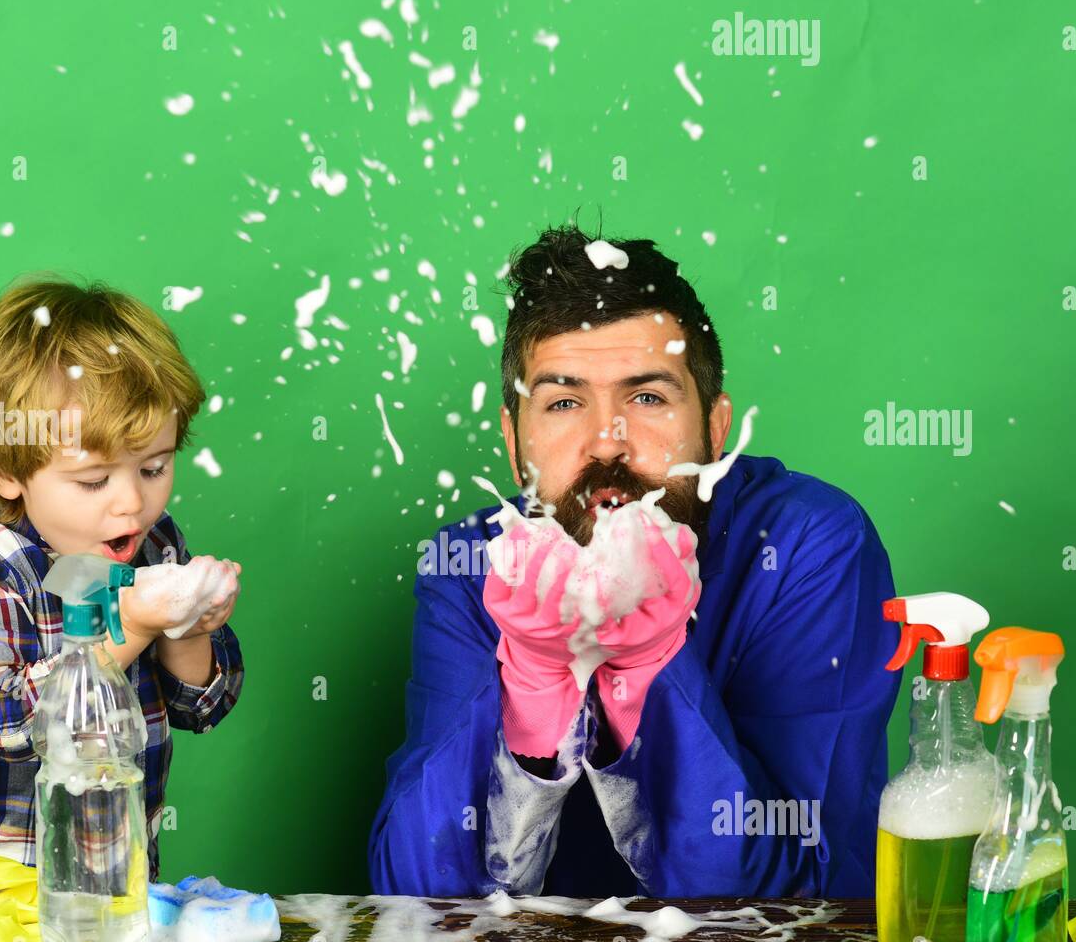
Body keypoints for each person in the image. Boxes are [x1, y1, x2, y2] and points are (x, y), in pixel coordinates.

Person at [370, 224, 900, 899]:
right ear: (513, 442)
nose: (606, 442)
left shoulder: (807, 546)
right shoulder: (470, 568)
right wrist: (533, 686)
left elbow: (806, 900)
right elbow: (419, 896)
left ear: (714, 427)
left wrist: (649, 669)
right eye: (563, 402)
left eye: (647, 397)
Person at [0, 276, 243, 881]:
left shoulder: (155, 543)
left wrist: (191, 626)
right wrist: (133, 623)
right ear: (6, 468)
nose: (131, 505)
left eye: (154, 467)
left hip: (117, 878)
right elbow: (1, 720)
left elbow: (203, 706)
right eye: (94, 481)